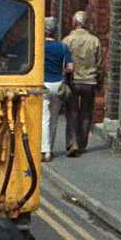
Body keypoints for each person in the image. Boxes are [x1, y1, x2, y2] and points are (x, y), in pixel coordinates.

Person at [63, 11, 103, 156]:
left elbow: (63, 61)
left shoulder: (67, 40)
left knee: (72, 112)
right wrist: (99, 81)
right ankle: (82, 143)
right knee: (86, 113)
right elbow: (99, 63)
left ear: (75, 23)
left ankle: (72, 142)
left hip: (73, 81)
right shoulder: (95, 41)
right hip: (89, 81)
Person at [41, 17, 72, 162]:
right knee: (54, 118)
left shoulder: (40, 46)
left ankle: (45, 150)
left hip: (43, 84)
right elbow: (70, 67)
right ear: (55, 31)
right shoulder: (62, 47)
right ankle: (50, 148)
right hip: (58, 85)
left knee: (44, 117)